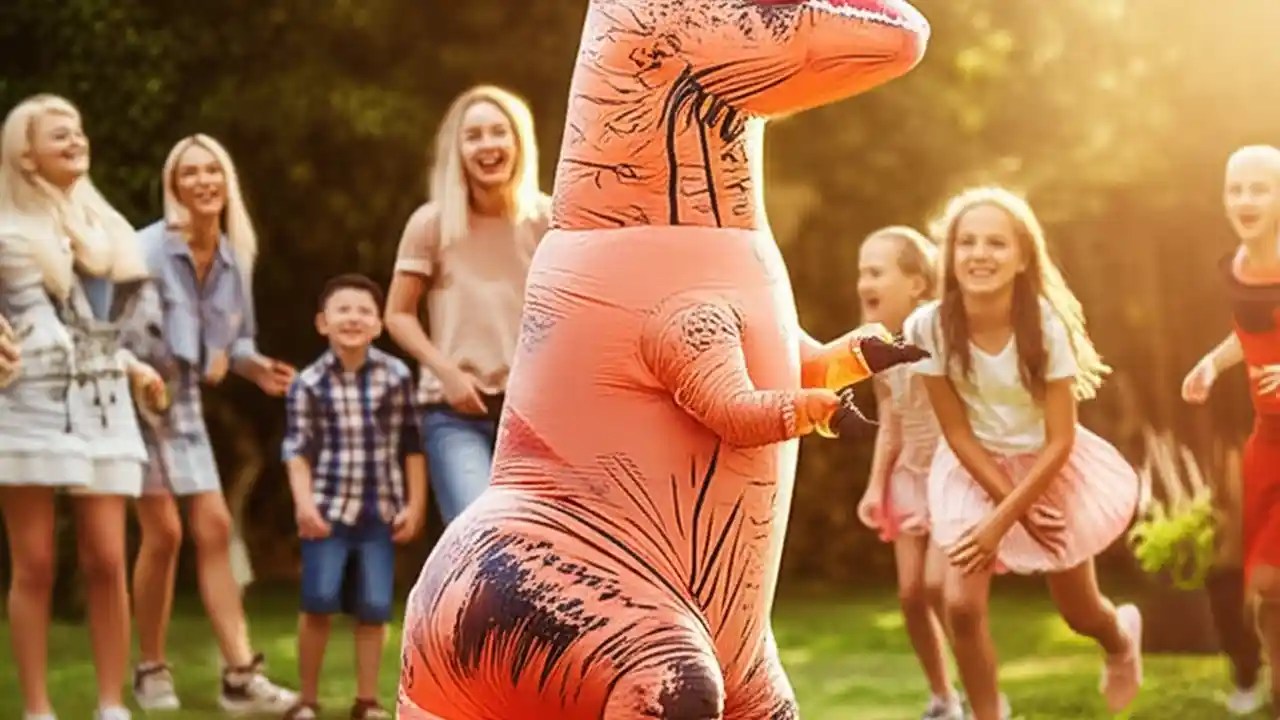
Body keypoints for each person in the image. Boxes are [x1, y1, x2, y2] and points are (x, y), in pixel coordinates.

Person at [396, 2, 932, 717]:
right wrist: (802, 409)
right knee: (670, 686)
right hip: (548, 571)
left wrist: (835, 362)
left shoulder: (710, 244)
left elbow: (768, 355)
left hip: (705, 614)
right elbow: (730, 402)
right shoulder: (624, 255)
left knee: (745, 694)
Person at [906, 187, 1143, 720]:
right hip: (974, 469)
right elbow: (958, 433)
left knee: (1079, 611)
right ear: (950, 253)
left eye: (996, 242)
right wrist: (1000, 515)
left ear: (1021, 258)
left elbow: (1061, 440)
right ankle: (989, 713)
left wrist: (1013, 515)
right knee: (960, 606)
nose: (979, 254)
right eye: (967, 242)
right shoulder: (928, 329)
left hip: (1048, 468)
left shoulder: (1045, 326)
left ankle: (1119, 638)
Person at [0, 93, 166, 720]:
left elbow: (98, 327)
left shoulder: (108, 229)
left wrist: (134, 365)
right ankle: (38, 708)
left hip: (101, 400)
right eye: (58, 134)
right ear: (25, 152)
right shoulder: (5, 228)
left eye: (79, 130)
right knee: (35, 563)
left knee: (105, 558)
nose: (76, 140)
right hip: (28, 400)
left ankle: (109, 705)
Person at [126, 134, 298, 713]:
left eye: (212, 172)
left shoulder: (233, 254)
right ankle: (149, 668)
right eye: (189, 173)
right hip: (133, 396)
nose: (203, 182)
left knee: (216, 528)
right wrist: (158, 371)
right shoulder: (146, 251)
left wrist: (255, 368)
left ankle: (239, 676)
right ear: (174, 186)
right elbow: (121, 331)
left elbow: (233, 342)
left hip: (185, 403)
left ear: (226, 183)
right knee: (165, 534)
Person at [384, 84, 551, 524]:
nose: (488, 145)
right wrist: (447, 373)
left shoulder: (550, 221)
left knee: (533, 541)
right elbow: (397, 314)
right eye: (473, 135)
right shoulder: (432, 223)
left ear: (518, 141)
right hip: (455, 411)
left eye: (499, 132)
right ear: (457, 149)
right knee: (478, 528)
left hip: (533, 413)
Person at [281, 273, 427, 720]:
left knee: (375, 609)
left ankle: (366, 701)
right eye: (343, 309)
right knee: (318, 602)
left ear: (379, 324)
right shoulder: (308, 384)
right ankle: (307, 698)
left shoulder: (396, 376)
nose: (353, 318)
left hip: (379, 513)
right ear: (322, 323)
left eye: (364, 311)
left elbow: (411, 445)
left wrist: (416, 504)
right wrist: (304, 505)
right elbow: (297, 451)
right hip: (327, 510)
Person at [1182, 143, 1280, 718]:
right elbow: (1250, 334)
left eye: (1260, 188)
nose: (1245, 200)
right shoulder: (1239, 268)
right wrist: (1212, 364)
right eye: (1235, 189)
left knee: (1269, 575)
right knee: (1262, 584)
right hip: (1267, 439)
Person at [854, 226, 961, 719]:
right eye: (861, 273)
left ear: (918, 284)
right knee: (911, 594)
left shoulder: (939, 337)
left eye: (876, 272)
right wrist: (876, 486)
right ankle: (943, 696)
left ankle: (981, 688)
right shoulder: (875, 348)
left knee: (942, 587)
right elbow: (890, 425)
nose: (862, 283)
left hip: (952, 473)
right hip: (909, 476)